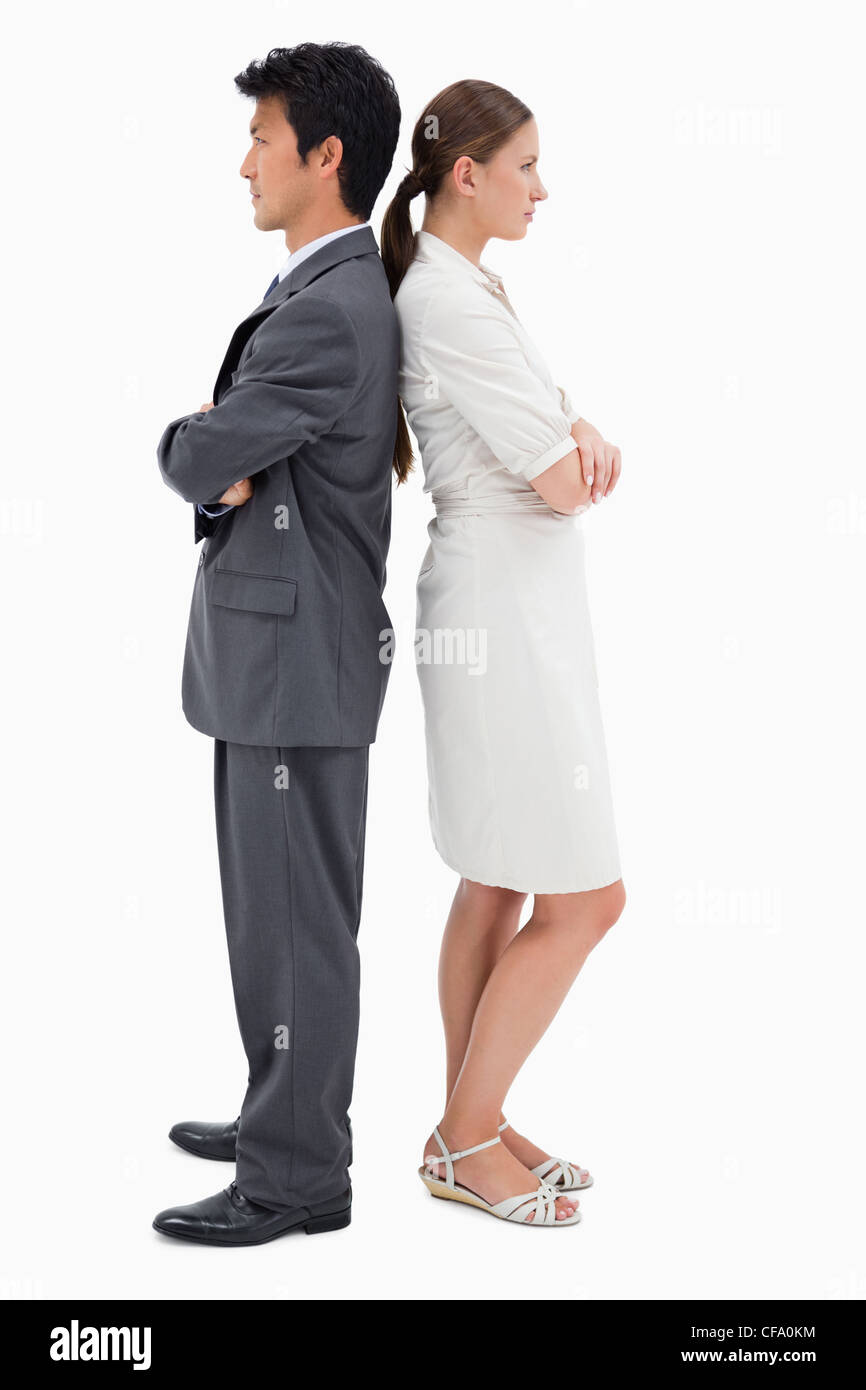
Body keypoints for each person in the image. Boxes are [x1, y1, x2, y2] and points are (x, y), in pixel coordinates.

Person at [153, 43, 405, 1246]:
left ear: (327, 155)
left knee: (294, 926)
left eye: (262, 137)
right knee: (276, 919)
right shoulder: (327, 294)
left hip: (292, 670)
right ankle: (283, 1116)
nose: (243, 159)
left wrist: (190, 446)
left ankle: (295, 1173)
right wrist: (223, 461)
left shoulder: (332, 312)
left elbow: (203, 456)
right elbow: (232, 469)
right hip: (279, 664)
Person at [380, 80, 626, 1227]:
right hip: (500, 618)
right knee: (587, 896)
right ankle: (467, 1129)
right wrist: (576, 436)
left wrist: (571, 429)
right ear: (464, 173)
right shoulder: (451, 302)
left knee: (497, 875)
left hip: (505, 608)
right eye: (524, 163)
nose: (542, 186)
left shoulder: (464, 286)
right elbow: (562, 479)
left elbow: (560, 440)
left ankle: (464, 1125)